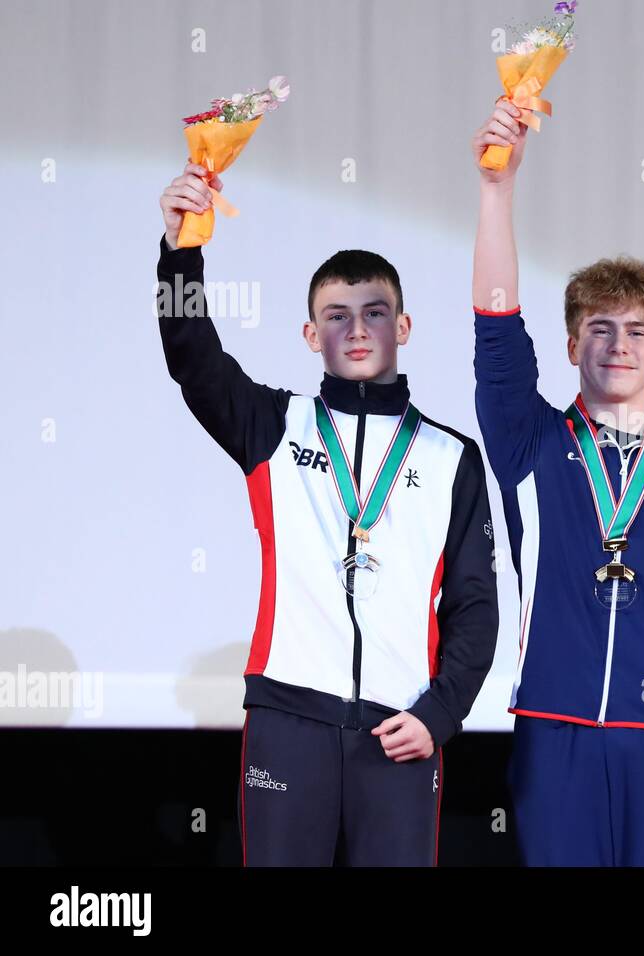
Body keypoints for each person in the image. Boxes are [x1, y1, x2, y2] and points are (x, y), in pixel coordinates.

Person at [156, 162, 498, 865]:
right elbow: (193, 360)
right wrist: (180, 252)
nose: (357, 329)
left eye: (374, 312)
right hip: (289, 720)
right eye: (336, 316)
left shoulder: (450, 457)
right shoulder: (273, 426)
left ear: (402, 324)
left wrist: (440, 714)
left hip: (399, 729)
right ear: (312, 335)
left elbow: (475, 606)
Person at [470, 100, 644, 865]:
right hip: (552, 732)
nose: (617, 344)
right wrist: (498, 190)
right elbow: (495, 327)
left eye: (636, 331)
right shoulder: (531, 442)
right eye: (599, 328)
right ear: (571, 346)